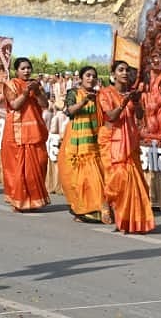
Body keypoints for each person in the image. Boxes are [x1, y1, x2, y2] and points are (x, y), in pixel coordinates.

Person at [97, 60, 155, 234]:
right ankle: (108, 205)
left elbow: (139, 116)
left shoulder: (132, 94)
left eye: (127, 71)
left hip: (130, 141)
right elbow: (111, 117)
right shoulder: (105, 93)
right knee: (117, 179)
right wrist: (123, 103)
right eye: (120, 70)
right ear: (113, 74)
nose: (124, 73)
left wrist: (136, 102)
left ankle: (129, 220)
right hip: (111, 140)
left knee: (134, 182)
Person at [58, 65, 109, 223]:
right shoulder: (73, 93)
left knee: (95, 175)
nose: (91, 78)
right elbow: (69, 111)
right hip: (76, 140)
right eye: (87, 75)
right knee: (76, 176)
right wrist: (85, 101)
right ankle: (81, 208)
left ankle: (97, 208)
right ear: (80, 78)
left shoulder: (100, 95)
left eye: (93, 76)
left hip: (94, 140)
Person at [2, 57, 49, 212]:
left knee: (40, 163)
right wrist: (26, 91)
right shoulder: (11, 85)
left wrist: (36, 92)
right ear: (17, 70)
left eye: (29, 68)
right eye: (23, 68)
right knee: (19, 168)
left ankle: (34, 200)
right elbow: (14, 105)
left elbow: (45, 104)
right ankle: (19, 201)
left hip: (36, 130)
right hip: (16, 132)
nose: (27, 71)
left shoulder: (36, 84)